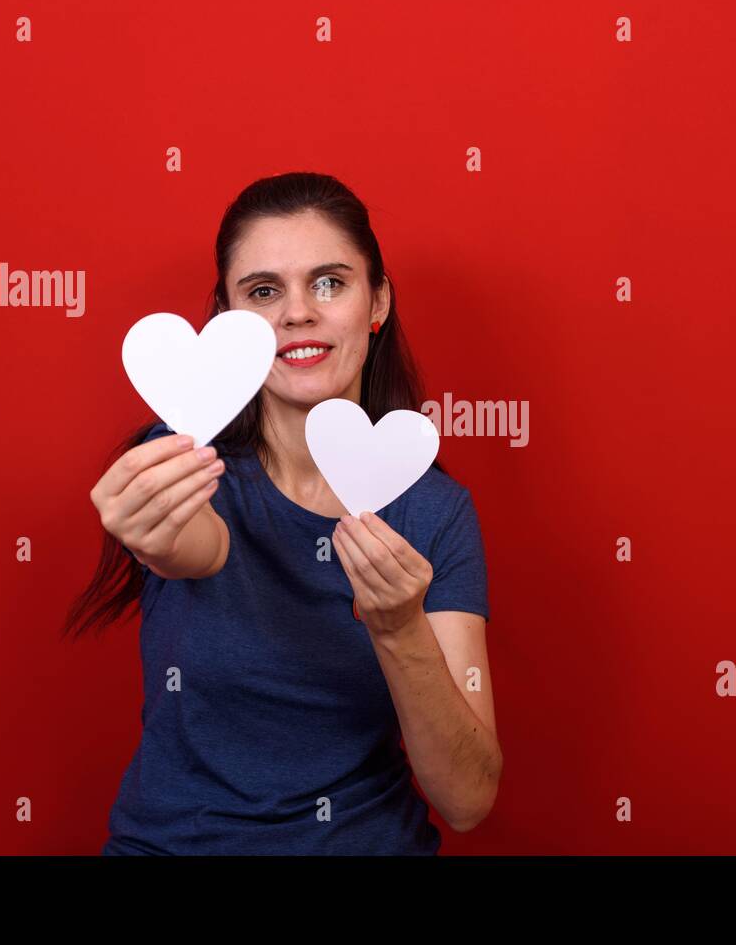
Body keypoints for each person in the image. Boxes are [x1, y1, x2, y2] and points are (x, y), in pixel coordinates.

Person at [64, 172, 501, 854]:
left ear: (376, 301)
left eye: (329, 282)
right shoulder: (182, 457)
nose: (297, 312)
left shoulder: (434, 512)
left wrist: (399, 628)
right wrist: (156, 535)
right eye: (264, 291)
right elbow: (196, 545)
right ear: (228, 319)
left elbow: (467, 798)